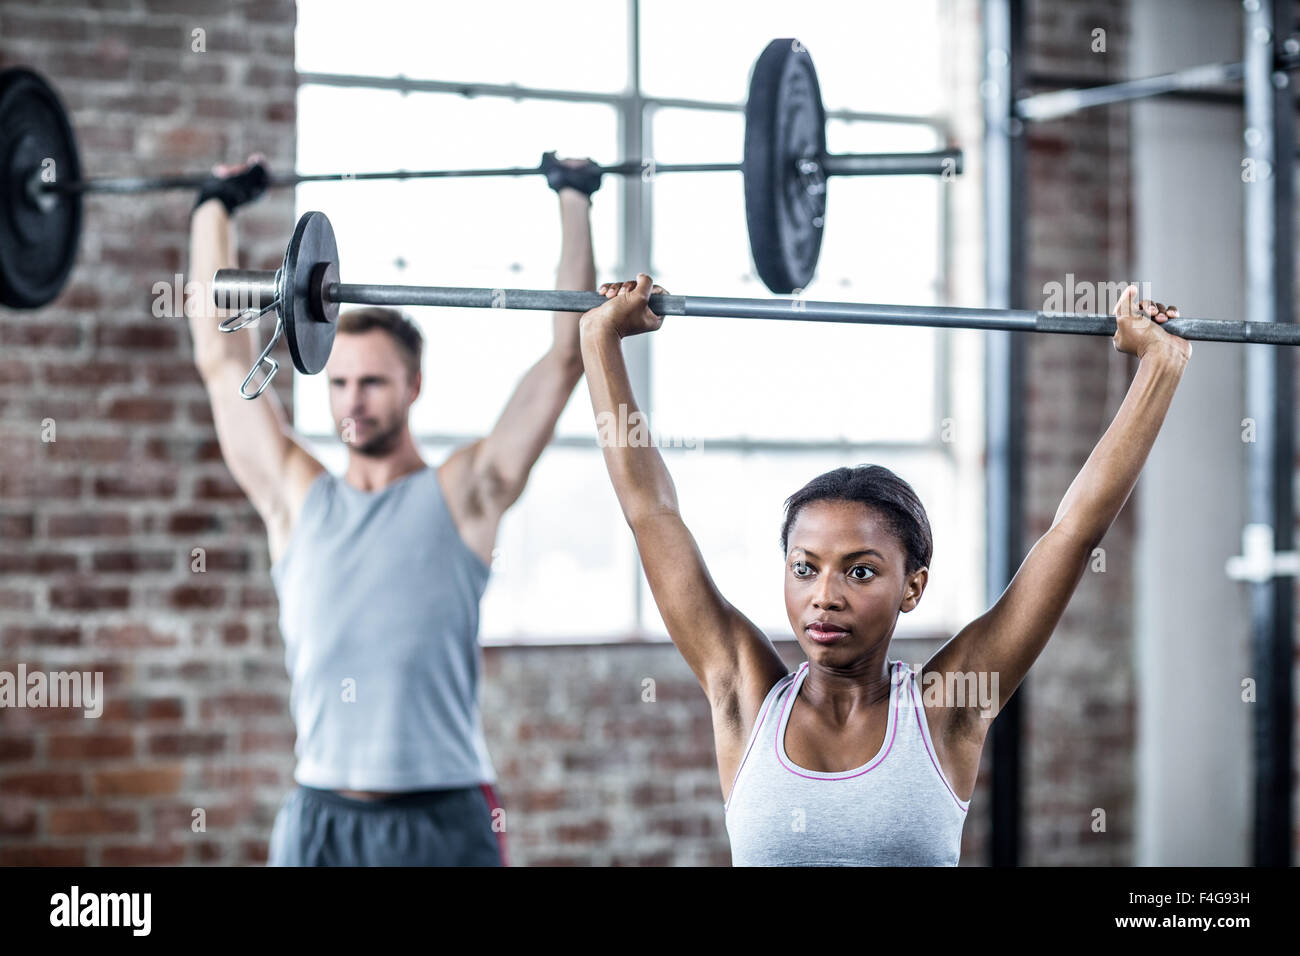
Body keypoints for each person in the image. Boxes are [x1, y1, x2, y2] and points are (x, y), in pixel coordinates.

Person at [578, 274, 1189, 866]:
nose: (824, 597)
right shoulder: (744, 693)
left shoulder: (947, 709)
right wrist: (600, 341)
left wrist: (1158, 367)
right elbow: (650, 513)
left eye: (860, 572)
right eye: (804, 567)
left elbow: (1073, 534)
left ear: (912, 587)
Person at [187, 152, 605, 866]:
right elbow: (220, 358)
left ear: (414, 385)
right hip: (318, 818)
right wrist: (213, 206)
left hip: (442, 817)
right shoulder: (295, 497)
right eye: (340, 381)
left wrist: (574, 195)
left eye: (374, 382)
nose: (353, 399)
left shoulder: (467, 493)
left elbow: (566, 355)